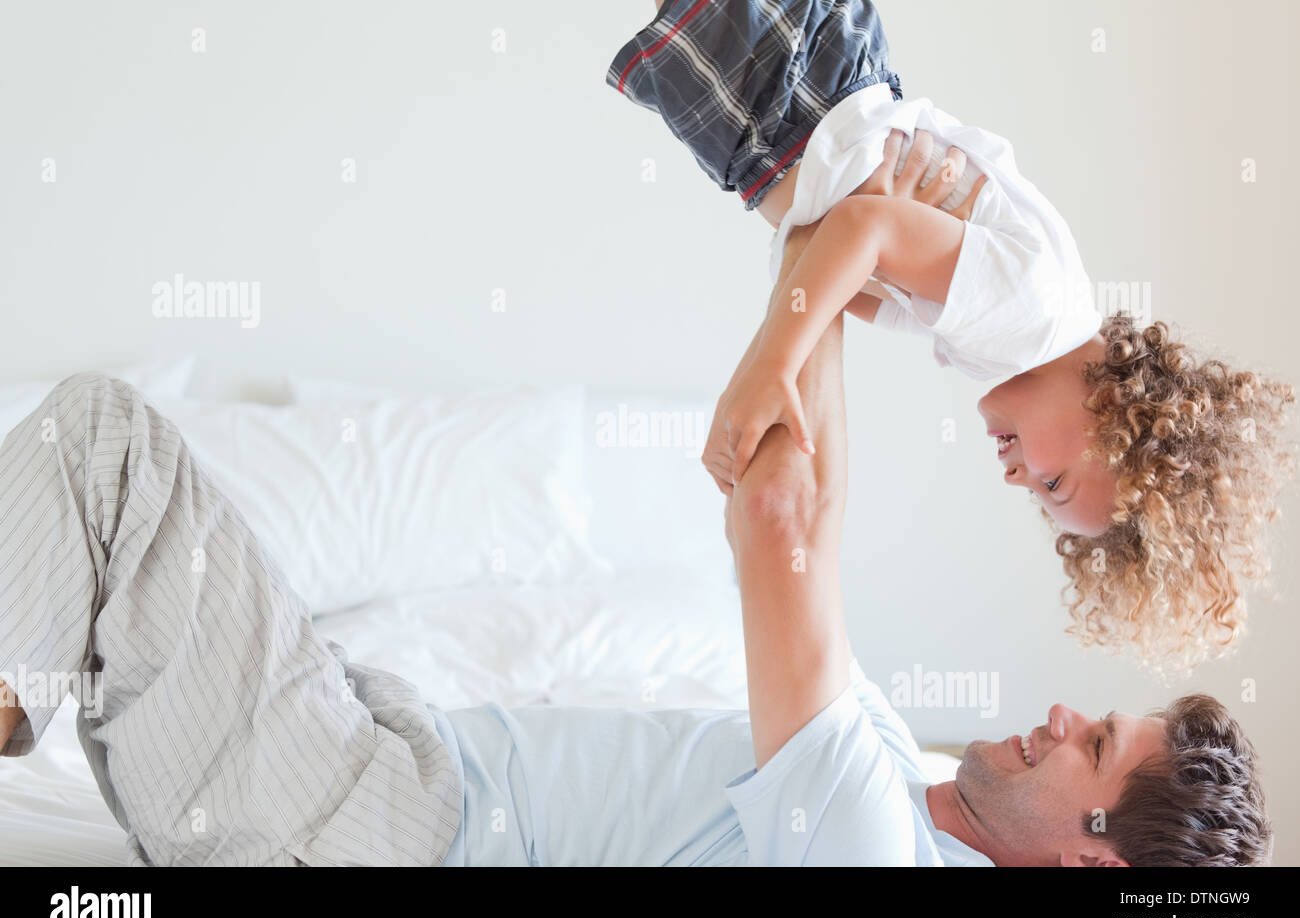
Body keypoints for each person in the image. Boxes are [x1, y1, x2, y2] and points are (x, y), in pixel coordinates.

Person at [0, 223, 1271, 865]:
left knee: (98, 445)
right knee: (119, 554)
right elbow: (818, 489)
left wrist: (829, 262)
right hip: (374, 760)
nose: (1060, 714)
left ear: (1086, 853)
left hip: (371, 827)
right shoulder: (905, 774)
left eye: (1094, 741)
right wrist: (830, 234)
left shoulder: (873, 843)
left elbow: (781, 519)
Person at [608, 0, 1294, 672]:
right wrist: (775, 364)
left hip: (773, 129)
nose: (1017, 476)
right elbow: (861, 231)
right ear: (1114, 417)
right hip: (798, 83)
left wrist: (817, 302)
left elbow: (866, 291)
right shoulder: (1033, 310)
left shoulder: (1004, 341)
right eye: (1052, 483)